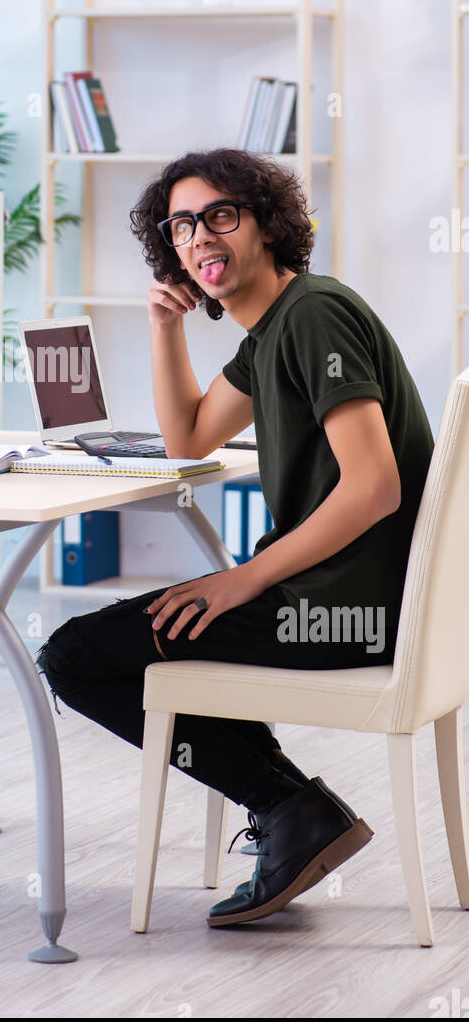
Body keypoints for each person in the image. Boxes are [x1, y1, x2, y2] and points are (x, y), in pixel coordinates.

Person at [37, 148, 434, 927]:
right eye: (181, 225)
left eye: (221, 215)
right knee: (168, 632)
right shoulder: (271, 332)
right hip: (339, 598)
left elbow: (374, 486)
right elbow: (186, 438)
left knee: (75, 655)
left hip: (347, 610)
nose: (199, 238)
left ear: (267, 225)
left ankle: (287, 807)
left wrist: (242, 579)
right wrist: (161, 328)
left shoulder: (313, 314)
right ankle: (291, 811)